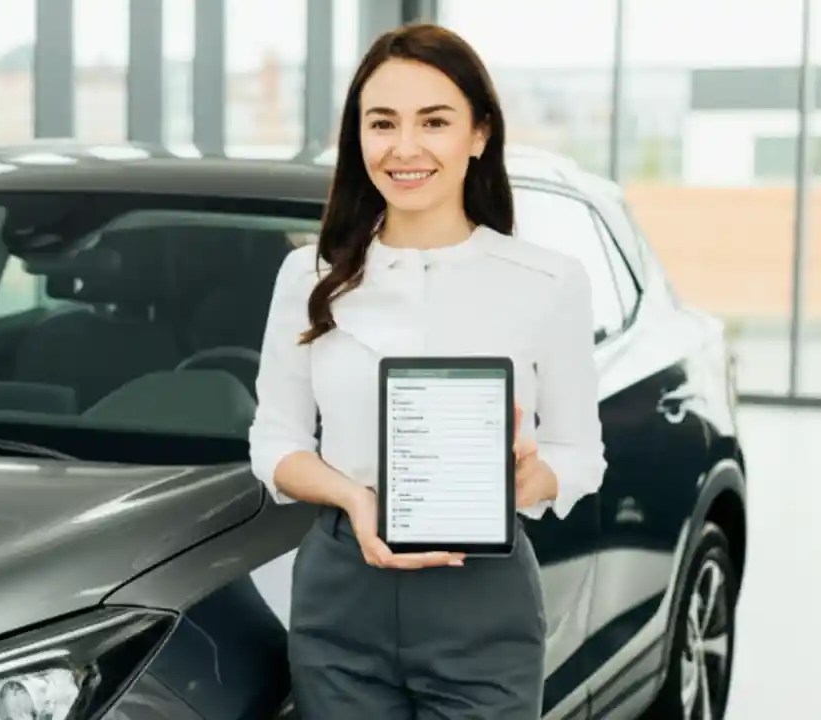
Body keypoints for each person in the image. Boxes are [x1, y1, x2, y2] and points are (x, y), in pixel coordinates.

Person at [247, 23, 608, 720]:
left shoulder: (548, 281)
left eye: (434, 122)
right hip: (340, 591)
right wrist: (355, 499)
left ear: (479, 133)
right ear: (358, 136)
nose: (404, 148)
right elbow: (274, 441)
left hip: (484, 595)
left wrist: (528, 476)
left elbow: (581, 453)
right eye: (382, 123)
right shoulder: (309, 277)